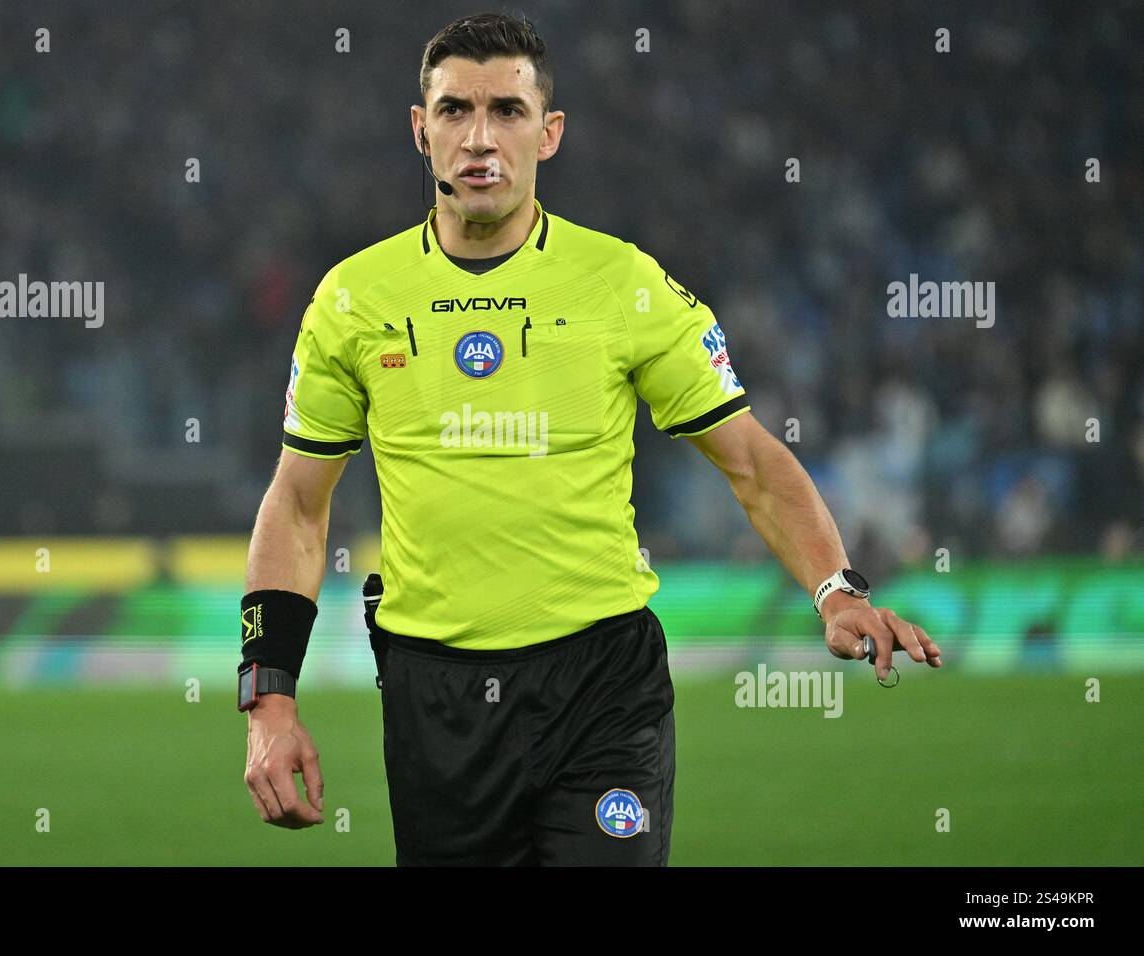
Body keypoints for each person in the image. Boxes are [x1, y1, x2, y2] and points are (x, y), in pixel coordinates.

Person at [237, 11, 942, 866]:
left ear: (550, 132)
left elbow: (751, 461)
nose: (481, 138)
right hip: (437, 701)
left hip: (601, 686)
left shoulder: (625, 286)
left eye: (508, 110)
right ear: (421, 132)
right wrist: (268, 702)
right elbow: (299, 508)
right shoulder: (352, 299)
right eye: (456, 111)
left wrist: (835, 587)